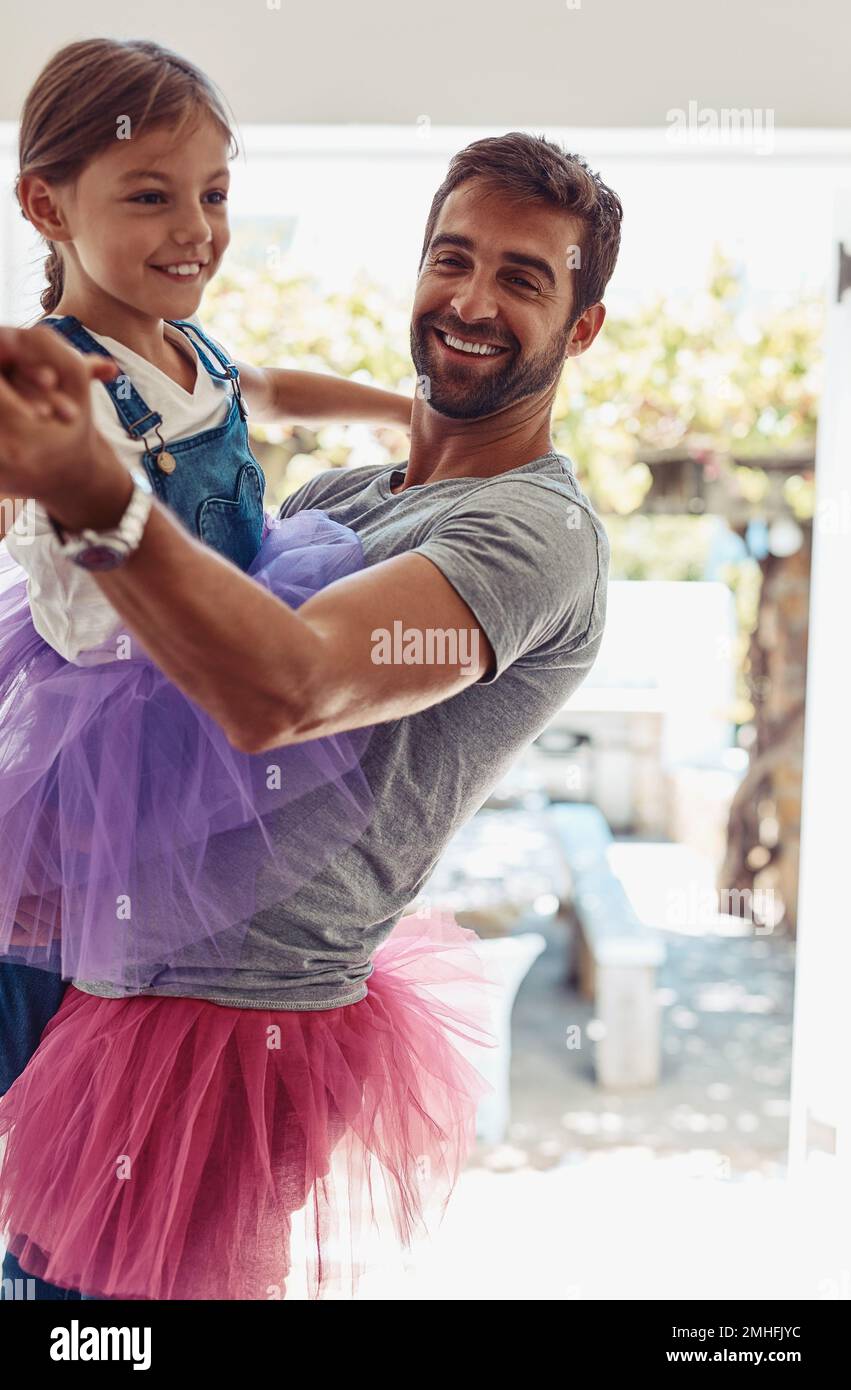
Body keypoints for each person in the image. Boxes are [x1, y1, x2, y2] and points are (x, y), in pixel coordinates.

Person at [0, 51, 621, 1297]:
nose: (472, 297)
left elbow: (286, 691)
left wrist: (92, 493)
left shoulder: (530, 540)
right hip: (100, 981)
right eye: (452, 256)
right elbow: (158, 674)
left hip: (226, 1032)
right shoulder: (348, 495)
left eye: (522, 276)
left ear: (581, 322)